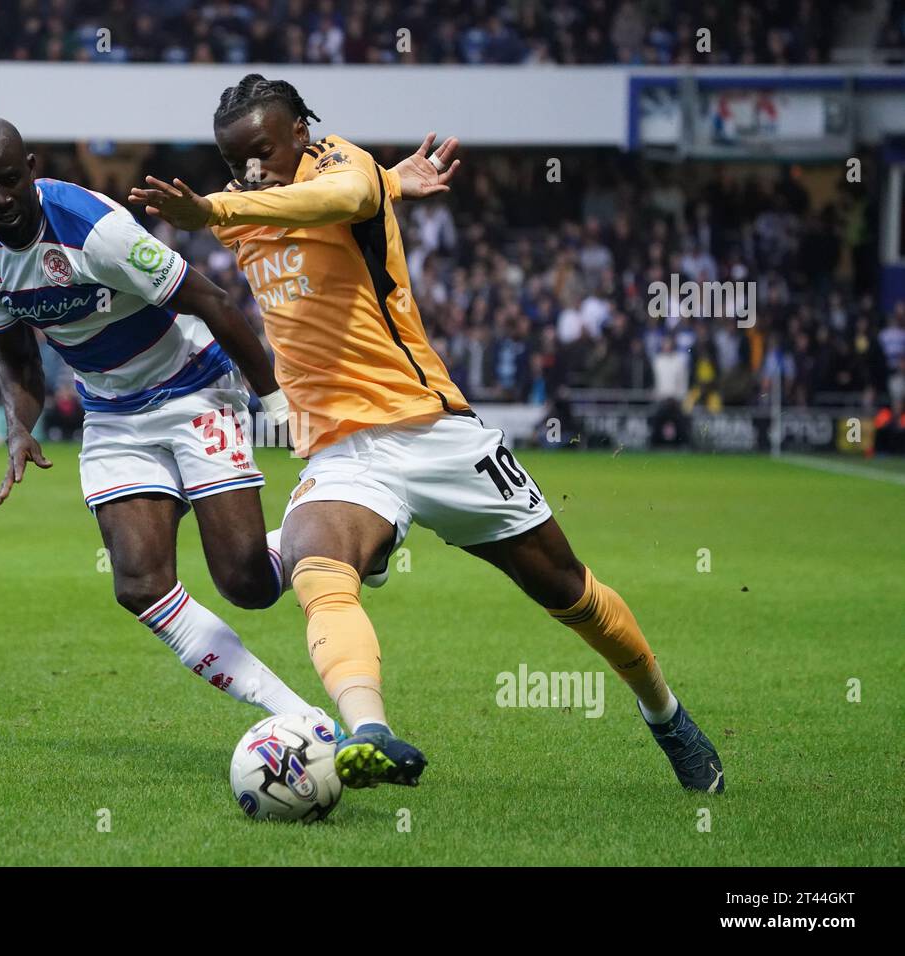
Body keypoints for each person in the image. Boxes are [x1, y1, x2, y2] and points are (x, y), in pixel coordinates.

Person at [130, 75, 724, 793]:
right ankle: (369, 733)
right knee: (319, 573)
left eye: (262, 150)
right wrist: (385, 187)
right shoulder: (236, 210)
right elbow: (340, 202)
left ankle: (666, 716)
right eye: (235, 161)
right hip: (342, 451)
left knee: (567, 591)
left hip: (433, 429)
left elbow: (348, 199)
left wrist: (373, 184)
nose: (251, 169)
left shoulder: (329, 166)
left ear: (300, 134)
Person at [0, 115, 317, 719]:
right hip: (112, 414)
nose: (1, 198)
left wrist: (277, 405)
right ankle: (299, 718)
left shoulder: (98, 232)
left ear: (32, 170)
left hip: (193, 389)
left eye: (11, 180)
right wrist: (19, 425)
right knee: (139, 586)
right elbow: (17, 360)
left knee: (246, 584)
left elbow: (215, 303)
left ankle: (337, 527)